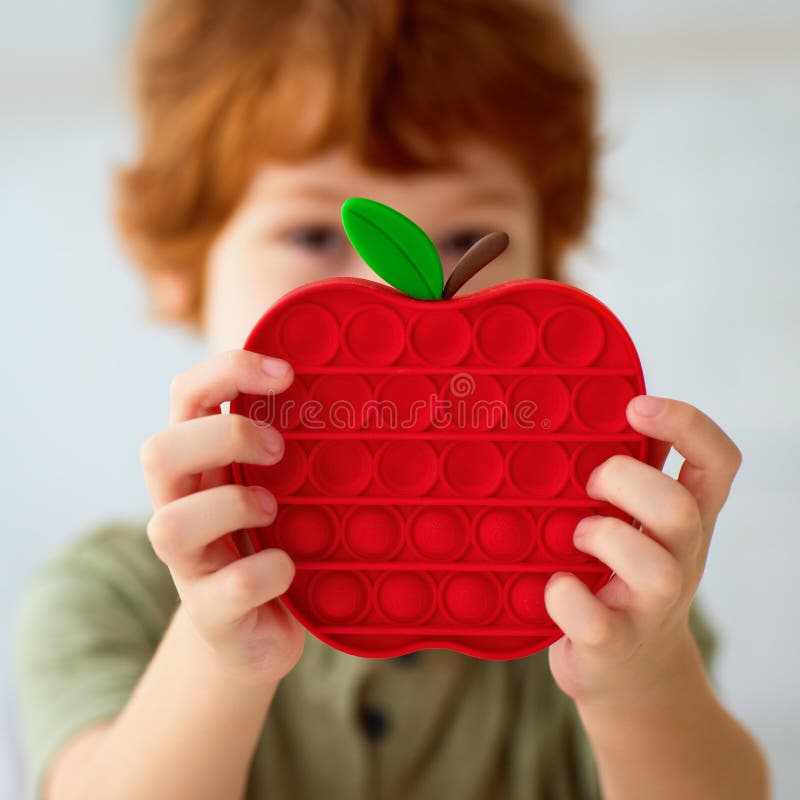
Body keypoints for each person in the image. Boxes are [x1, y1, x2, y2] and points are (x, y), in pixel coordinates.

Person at [13, 1, 770, 799]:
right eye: (314, 235)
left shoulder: (606, 585)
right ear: (184, 267)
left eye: (467, 237)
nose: (394, 297)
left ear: (554, 269)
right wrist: (218, 655)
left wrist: (639, 679)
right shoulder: (106, 594)